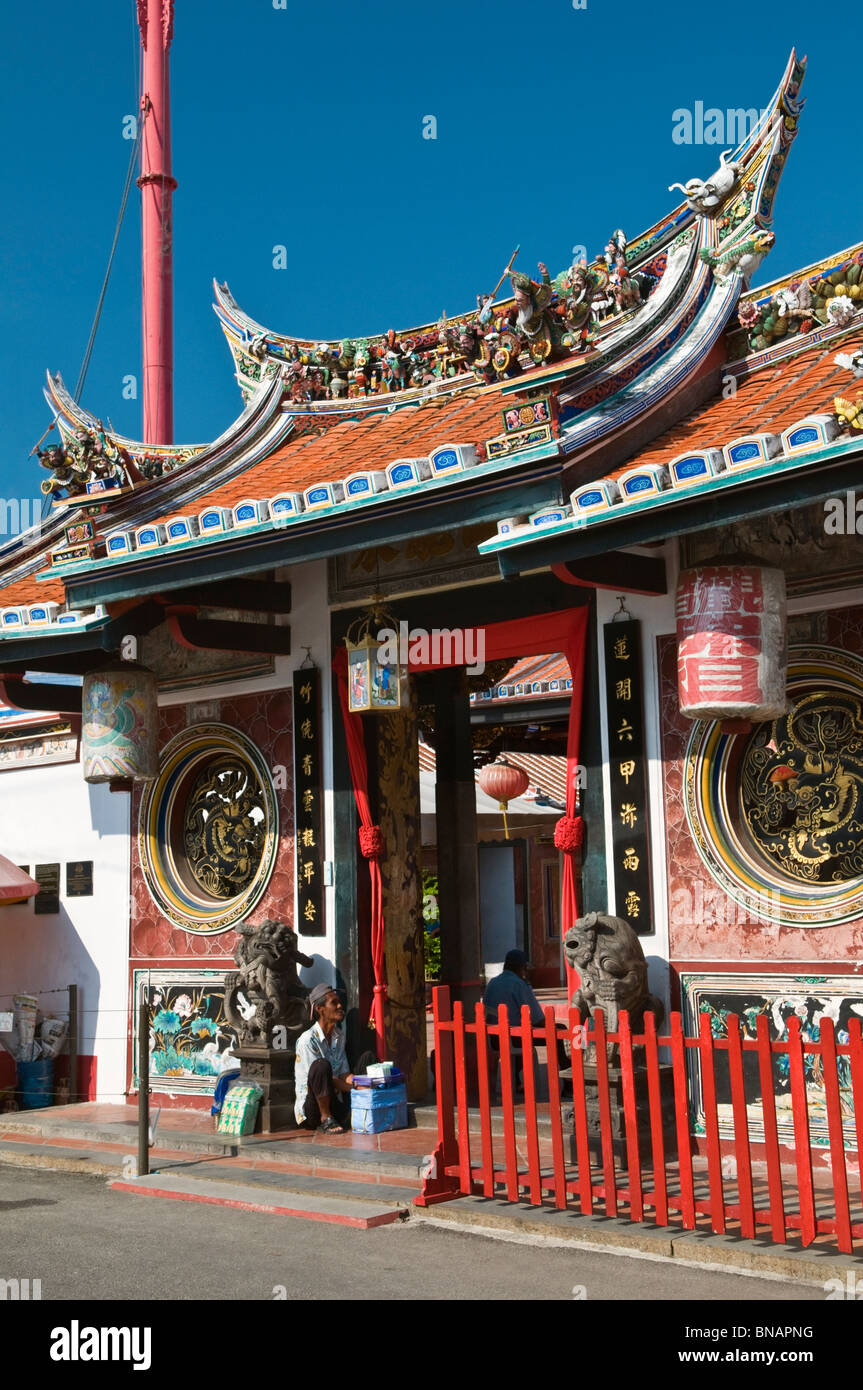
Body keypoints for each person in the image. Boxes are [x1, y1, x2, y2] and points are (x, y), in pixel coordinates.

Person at [294, 984, 374, 1134]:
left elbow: (344, 1074)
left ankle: (352, 1109)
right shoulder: (307, 1040)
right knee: (321, 1065)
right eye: (334, 1003)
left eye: (339, 1002)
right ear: (320, 1009)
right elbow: (324, 1080)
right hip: (312, 1109)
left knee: (367, 1058)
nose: (340, 1006)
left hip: (334, 1099)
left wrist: (365, 1084)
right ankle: (326, 1118)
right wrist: (355, 1088)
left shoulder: (339, 1035)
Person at [483, 950, 546, 1093]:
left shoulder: (493, 982)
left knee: (518, 1030)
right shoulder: (519, 984)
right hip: (514, 1038)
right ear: (521, 968)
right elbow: (537, 1018)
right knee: (558, 1032)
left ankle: (516, 1080)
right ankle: (568, 1083)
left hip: (493, 1039)